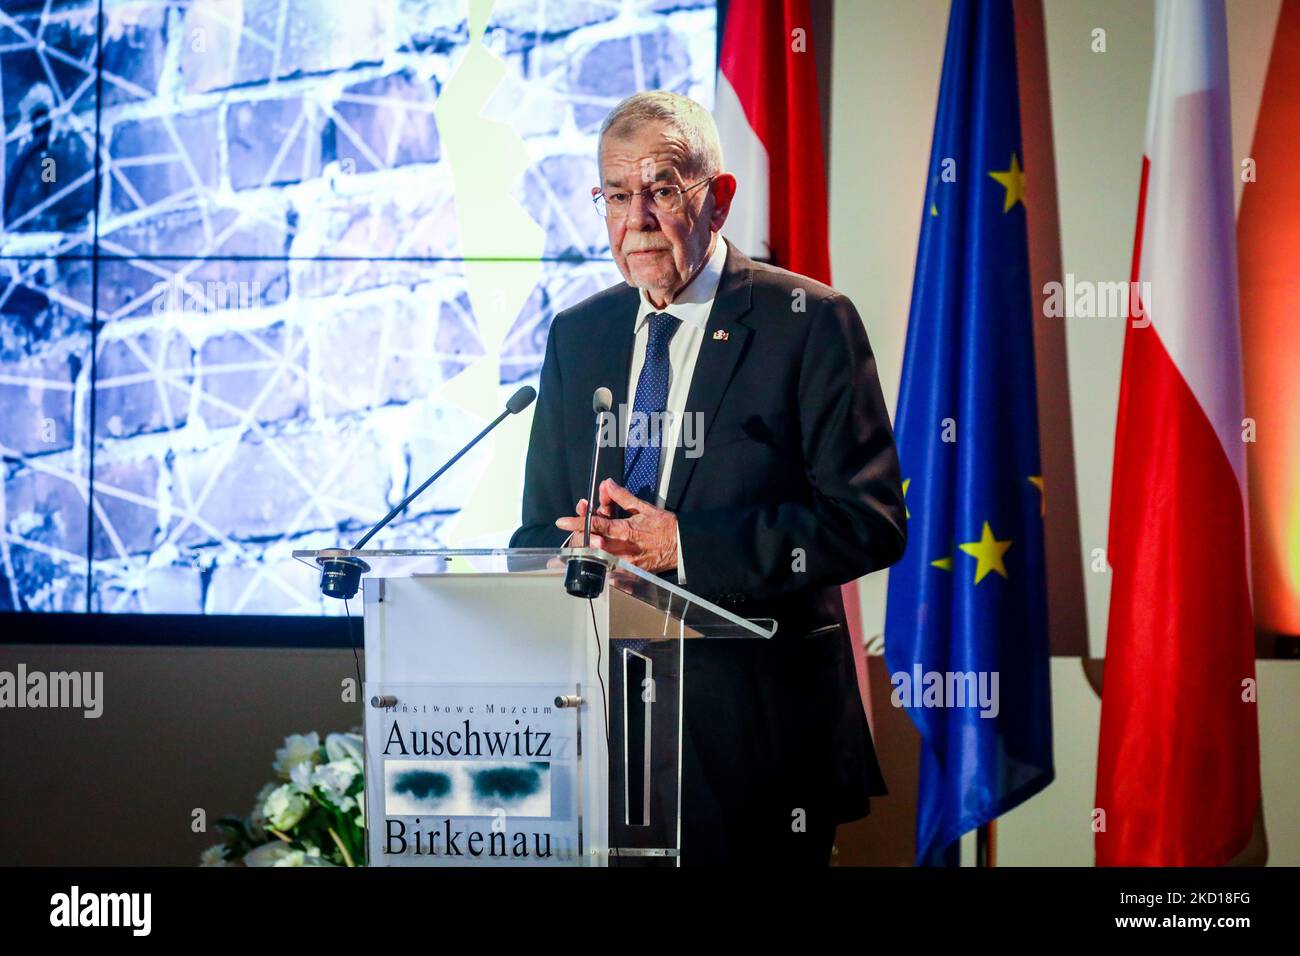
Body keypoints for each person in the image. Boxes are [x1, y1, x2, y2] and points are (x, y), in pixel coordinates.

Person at [510, 90, 906, 865]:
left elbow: (869, 519)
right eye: (616, 196)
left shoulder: (807, 321)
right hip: (604, 732)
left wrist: (680, 545)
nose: (637, 219)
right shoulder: (580, 335)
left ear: (718, 199)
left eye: (661, 189)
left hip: (756, 740)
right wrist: (581, 554)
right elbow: (535, 530)